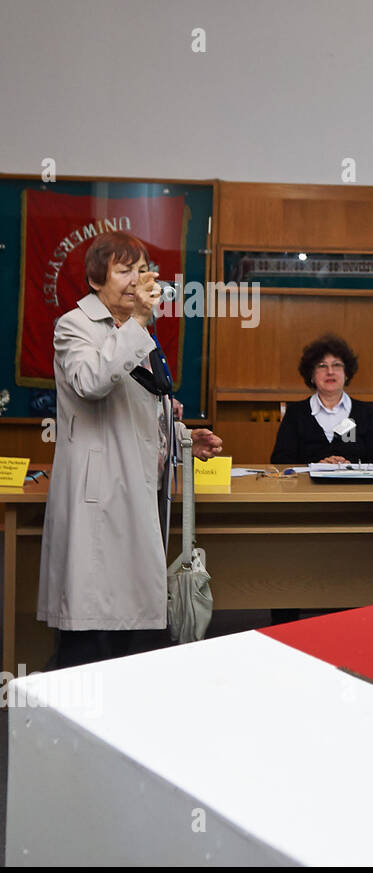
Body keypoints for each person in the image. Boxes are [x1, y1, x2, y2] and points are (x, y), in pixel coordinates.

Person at [38, 231, 223, 668]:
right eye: (124, 271)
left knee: (133, 630)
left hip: (139, 493)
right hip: (99, 498)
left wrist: (180, 436)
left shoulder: (137, 329)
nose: (136, 280)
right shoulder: (74, 326)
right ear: (96, 281)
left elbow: (140, 412)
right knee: (92, 625)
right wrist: (139, 323)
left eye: (141, 270)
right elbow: (92, 383)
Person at [270, 334, 373, 465]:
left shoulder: (365, 412)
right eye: (322, 366)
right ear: (312, 376)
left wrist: (352, 469)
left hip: (354, 485)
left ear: (347, 374)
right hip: (308, 485)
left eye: (337, 365)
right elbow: (280, 461)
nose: (330, 372)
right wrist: (316, 467)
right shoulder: (295, 413)